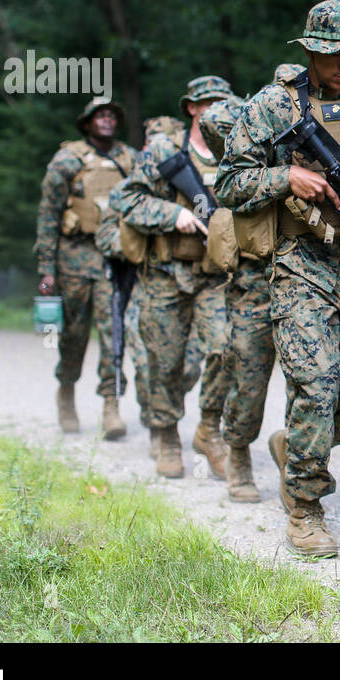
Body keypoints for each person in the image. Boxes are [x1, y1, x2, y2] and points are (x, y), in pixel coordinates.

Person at [216, 1, 340, 556]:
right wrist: (287, 177)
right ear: (309, 51)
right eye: (334, 53)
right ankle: (304, 505)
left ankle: (296, 446)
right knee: (316, 384)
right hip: (302, 264)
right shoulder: (275, 105)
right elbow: (230, 183)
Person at [112, 77, 232, 479]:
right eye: (209, 103)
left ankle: (209, 428)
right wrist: (173, 215)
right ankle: (164, 432)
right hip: (165, 275)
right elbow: (125, 198)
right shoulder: (165, 151)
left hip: (214, 277)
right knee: (164, 363)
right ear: (192, 109)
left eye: (223, 102)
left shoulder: (237, 154)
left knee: (226, 350)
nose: (217, 109)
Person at [200, 64, 301, 502]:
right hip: (255, 275)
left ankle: (298, 455)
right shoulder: (255, 117)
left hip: (307, 269)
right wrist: (269, 119)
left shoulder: (337, 121)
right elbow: (212, 120)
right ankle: (238, 450)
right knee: (248, 371)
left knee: (318, 379)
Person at [34, 97, 137, 437]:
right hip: (74, 257)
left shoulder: (129, 159)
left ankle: (111, 405)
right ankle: (66, 389)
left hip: (113, 258)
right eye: (100, 115)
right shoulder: (67, 160)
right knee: (74, 334)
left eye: (112, 115)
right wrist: (47, 268)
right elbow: (48, 215)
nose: (107, 120)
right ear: (87, 123)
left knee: (114, 335)